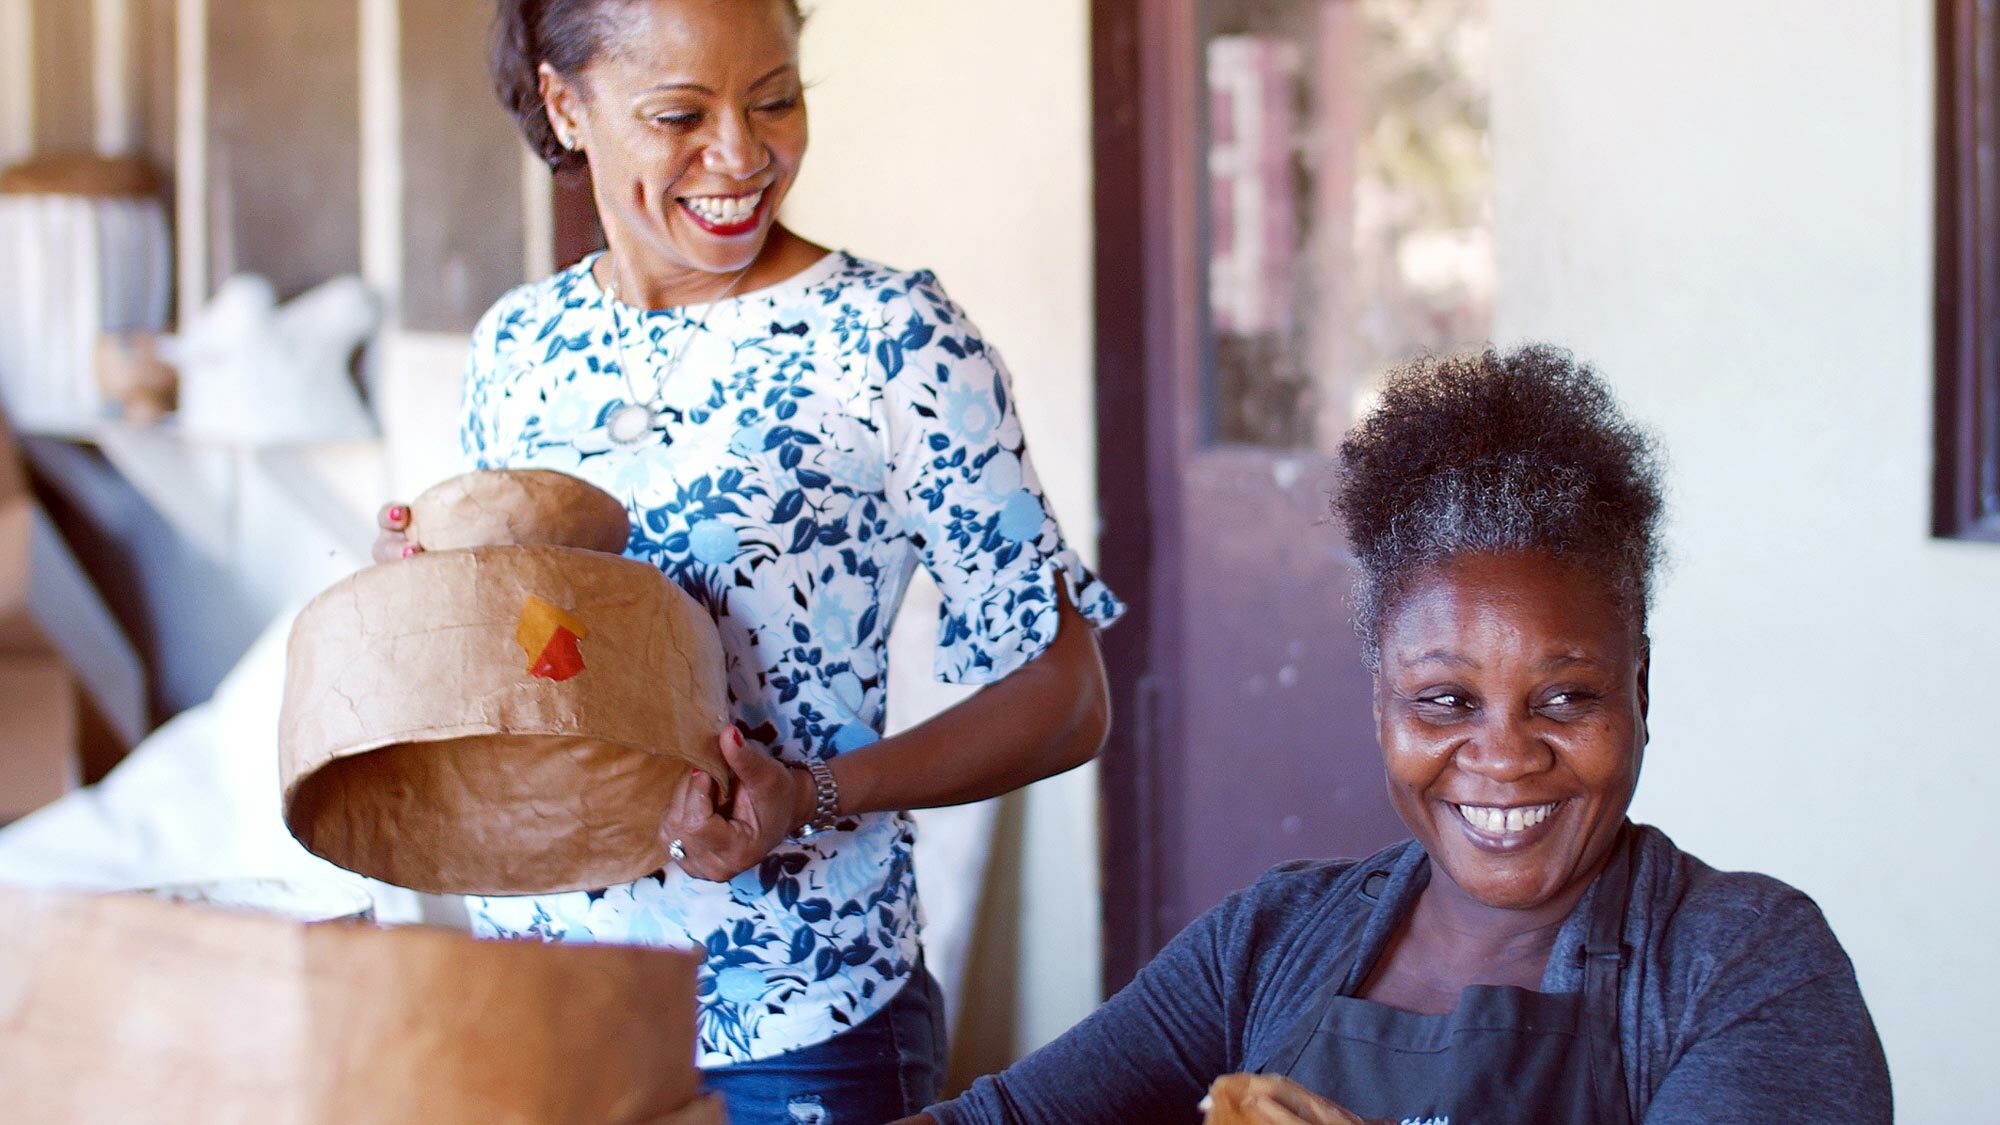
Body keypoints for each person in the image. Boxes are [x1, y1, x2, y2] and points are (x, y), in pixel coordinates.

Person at [373, 1, 1122, 1119]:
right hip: (542, 1004)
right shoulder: (519, 348)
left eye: (774, 98)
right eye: (679, 112)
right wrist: (442, 601)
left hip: (799, 1024)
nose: (741, 154)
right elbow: (546, 653)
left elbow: (1065, 699)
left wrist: (812, 795)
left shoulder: (892, 340)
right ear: (565, 104)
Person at [907, 346, 1892, 1124]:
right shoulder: (1270, 941)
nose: (1503, 756)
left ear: (1636, 689)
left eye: (1562, 700)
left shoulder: (1740, 965)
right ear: (1379, 701)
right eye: (1445, 703)